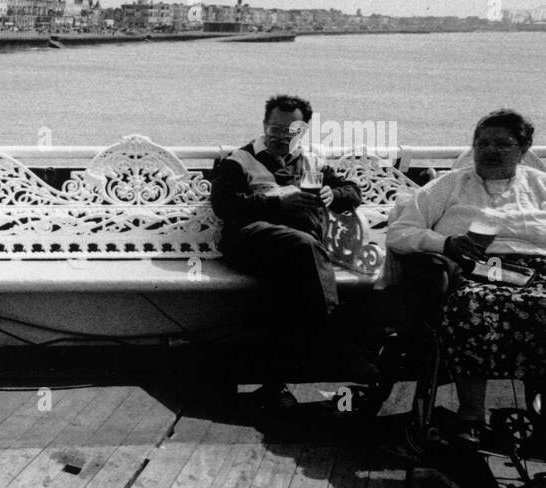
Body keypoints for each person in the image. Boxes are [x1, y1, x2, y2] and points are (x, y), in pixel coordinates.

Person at [387, 108, 545, 447]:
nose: (490, 151)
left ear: (523, 148)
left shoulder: (540, 185)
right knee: (472, 306)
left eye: (502, 144)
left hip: (539, 270)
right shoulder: (449, 185)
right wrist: (445, 242)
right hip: (477, 271)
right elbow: (400, 232)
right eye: (482, 143)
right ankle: (471, 416)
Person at [209, 94, 363, 411]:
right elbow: (225, 205)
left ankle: (274, 386)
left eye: (290, 131)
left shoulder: (313, 161)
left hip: (294, 254)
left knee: (288, 288)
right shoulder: (238, 160)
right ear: (265, 125)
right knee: (302, 248)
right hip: (248, 239)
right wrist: (277, 202)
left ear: (303, 131)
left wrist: (329, 193)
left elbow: (353, 193)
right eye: (275, 128)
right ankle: (339, 339)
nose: (281, 136)